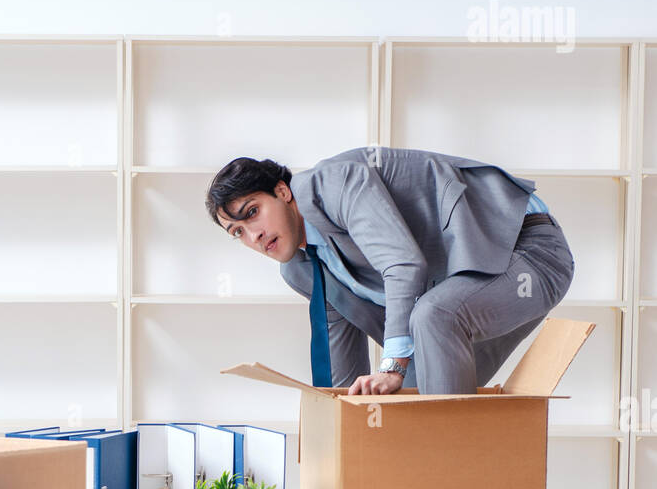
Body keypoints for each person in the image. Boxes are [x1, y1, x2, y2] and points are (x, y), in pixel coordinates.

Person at [205, 144, 575, 395]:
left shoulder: (329, 185)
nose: (252, 235)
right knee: (404, 404)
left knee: (432, 317)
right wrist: (340, 416)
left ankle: (454, 485)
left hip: (527, 252)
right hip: (461, 298)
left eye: (252, 212)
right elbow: (342, 365)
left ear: (283, 191)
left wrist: (393, 366)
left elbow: (403, 263)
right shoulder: (304, 269)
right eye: (238, 232)